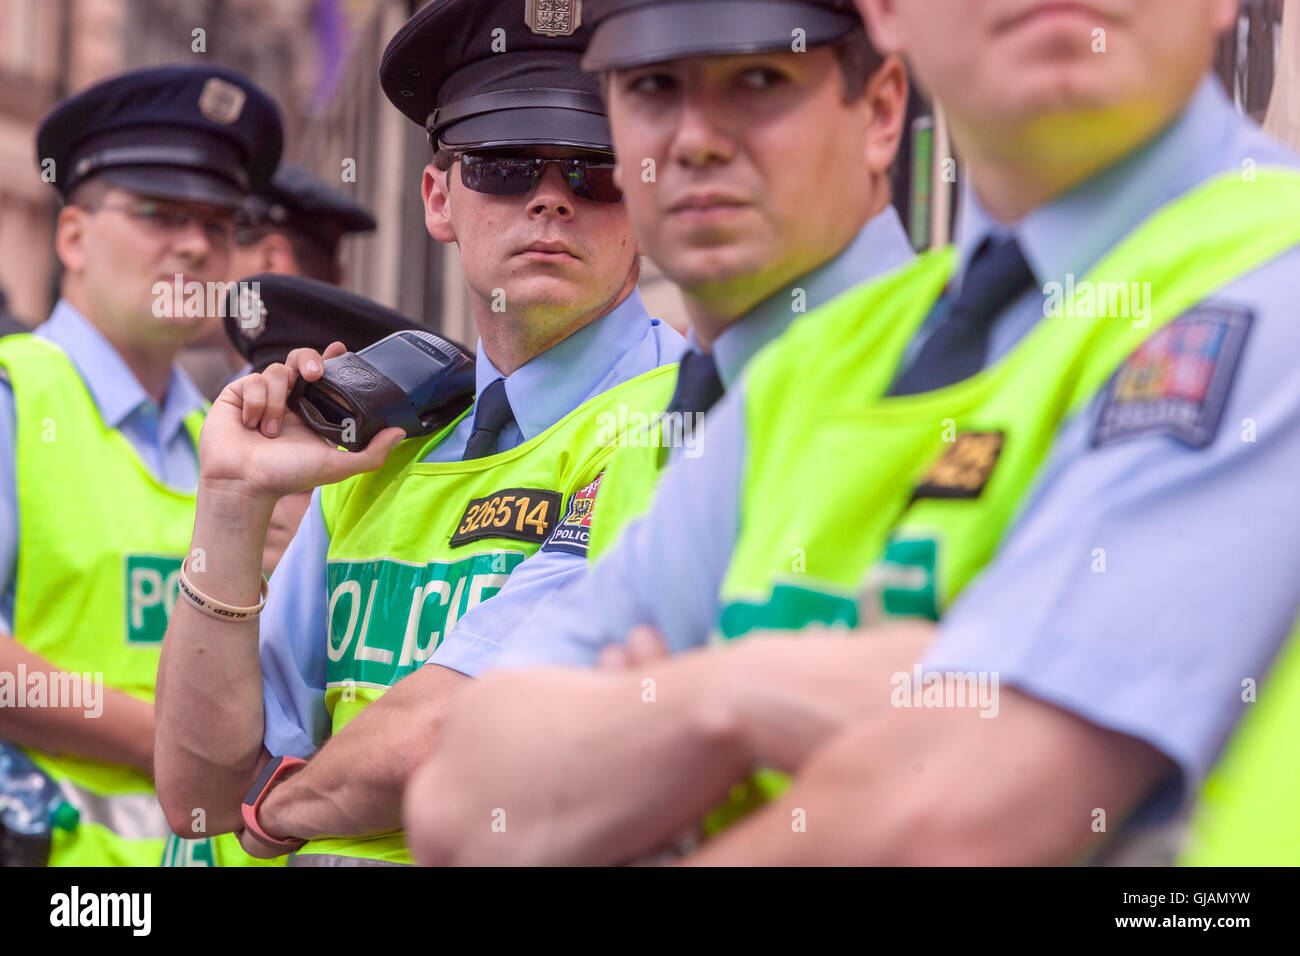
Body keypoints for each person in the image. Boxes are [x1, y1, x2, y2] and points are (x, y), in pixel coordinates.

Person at [403, 0, 1300, 866]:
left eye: (759, 79)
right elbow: (458, 803)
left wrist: (649, 738)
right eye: (652, 91)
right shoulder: (822, 359)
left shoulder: (1271, 277)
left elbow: (960, 813)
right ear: (889, 11)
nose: (698, 141)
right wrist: (727, 697)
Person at [153, 0, 684, 867]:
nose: (551, 198)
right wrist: (232, 501)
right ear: (438, 197)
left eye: (598, 170)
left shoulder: (684, 419)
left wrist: (272, 812)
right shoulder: (385, 444)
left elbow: (455, 726)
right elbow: (198, 798)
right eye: (508, 165)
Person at [0, 64, 282, 866]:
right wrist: (179, 748)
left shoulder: (229, 436)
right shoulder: (16, 397)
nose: (195, 245)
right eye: (159, 213)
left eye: (218, 222)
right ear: (73, 238)